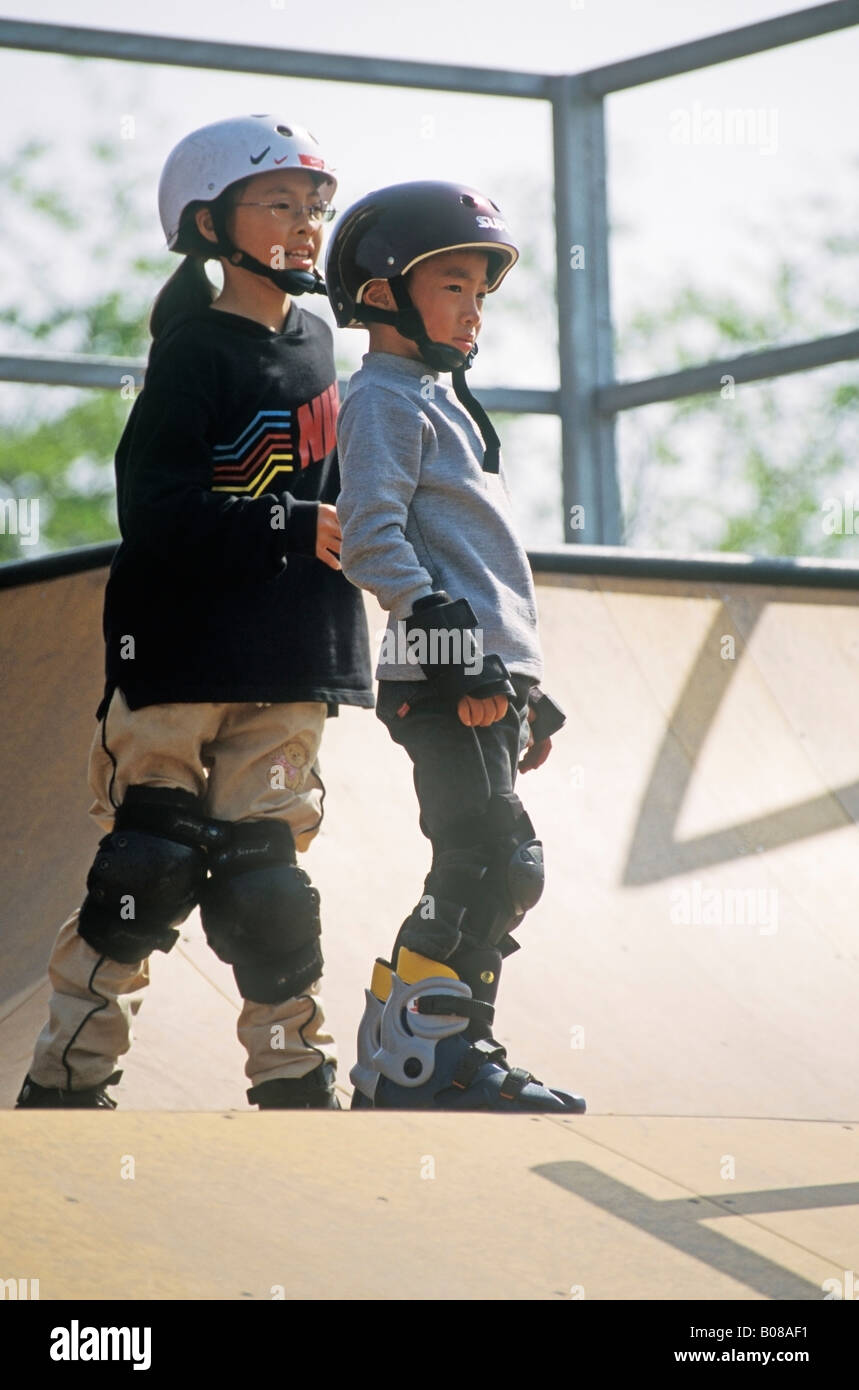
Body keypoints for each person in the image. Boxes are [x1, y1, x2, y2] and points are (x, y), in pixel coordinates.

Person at [16, 114, 373, 1113]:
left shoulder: (320, 347)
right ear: (211, 222)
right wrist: (290, 525)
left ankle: (295, 1077)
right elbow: (156, 508)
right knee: (150, 867)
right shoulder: (193, 352)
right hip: (176, 660)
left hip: (289, 665)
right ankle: (66, 1084)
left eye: (315, 207)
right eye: (280, 205)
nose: (305, 226)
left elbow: (347, 501)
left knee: (269, 889)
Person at [327, 180, 586, 1112]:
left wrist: (523, 683)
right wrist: (453, 645)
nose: (472, 309)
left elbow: (474, 560)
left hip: (480, 667)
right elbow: (370, 536)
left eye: (481, 292)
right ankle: (414, 1061)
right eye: (451, 287)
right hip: (441, 668)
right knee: (480, 851)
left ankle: (445, 1050)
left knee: (503, 863)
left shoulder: (443, 404)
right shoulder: (384, 401)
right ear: (382, 292)